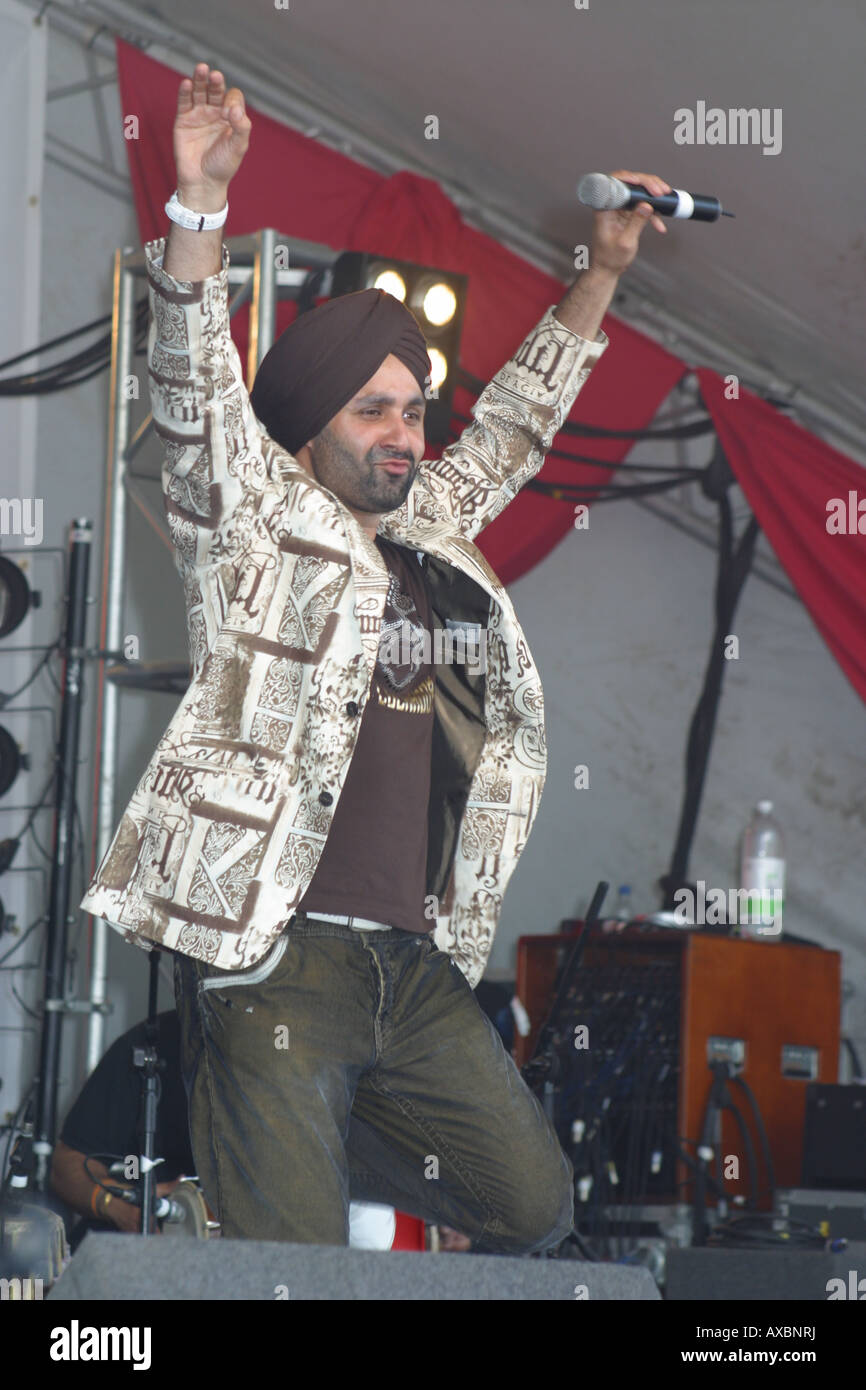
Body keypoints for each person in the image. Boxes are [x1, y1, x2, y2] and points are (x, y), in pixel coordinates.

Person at [81, 62, 670, 1252]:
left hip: (411, 963)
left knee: (529, 1203)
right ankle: (259, 1145)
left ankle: (261, 1138)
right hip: (276, 950)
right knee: (298, 1262)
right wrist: (198, 203)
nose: (403, 433)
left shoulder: (431, 530)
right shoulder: (252, 520)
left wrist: (601, 271)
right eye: (371, 411)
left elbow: (513, 425)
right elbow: (190, 381)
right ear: (307, 434)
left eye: (410, 409)